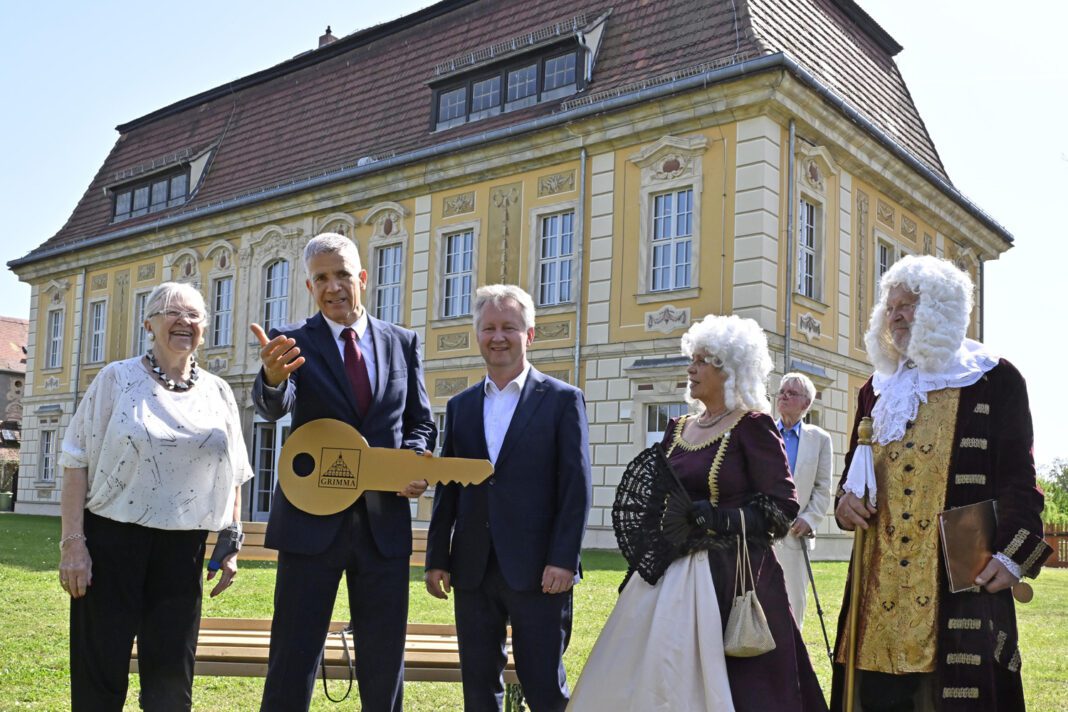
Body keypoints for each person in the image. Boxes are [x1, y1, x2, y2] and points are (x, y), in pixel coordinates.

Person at [569, 314, 827, 712]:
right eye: (692, 358)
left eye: (702, 360)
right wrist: (642, 563)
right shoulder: (678, 428)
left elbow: (783, 507)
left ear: (729, 368)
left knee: (748, 687)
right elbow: (656, 504)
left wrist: (723, 519)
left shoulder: (752, 426)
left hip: (733, 578)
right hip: (669, 574)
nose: (691, 367)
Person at [831, 255, 1052, 711]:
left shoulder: (993, 378)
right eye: (890, 306)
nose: (895, 315)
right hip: (878, 587)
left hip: (959, 582)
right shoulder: (875, 389)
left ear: (942, 310)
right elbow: (855, 475)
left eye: (908, 305)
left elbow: (1019, 479)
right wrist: (843, 504)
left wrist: (1013, 557)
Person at [251, 232, 435, 711]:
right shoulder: (291, 342)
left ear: (363, 278)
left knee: (384, 661)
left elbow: (419, 422)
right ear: (310, 288)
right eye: (321, 278)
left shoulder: (402, 342)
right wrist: (272, 379)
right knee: (293, 658)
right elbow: (276, 405)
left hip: (383, 527)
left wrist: (411, 461)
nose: (333, 287)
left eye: (342, 275)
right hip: (310, 525)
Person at [57, 281, 253, 711]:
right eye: (171, 312)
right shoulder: (116, 379)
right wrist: (73, 545)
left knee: (170, 682)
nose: (184, 322)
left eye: (195, 315)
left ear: (206, 325)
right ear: (149, 323)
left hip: (182, 549)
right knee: (99, 676)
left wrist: (231, 541)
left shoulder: (219, 392)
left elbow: (233, 471)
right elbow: (76, 460)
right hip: (111, 543)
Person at [424, 284, 591, 712]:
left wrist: (564, 559)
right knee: (479, 688)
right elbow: (449, 486)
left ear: (529, 335)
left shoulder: (562, 400)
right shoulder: (460, 406)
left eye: (509, 328)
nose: (498, 337)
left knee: (544, 687)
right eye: (489, 328)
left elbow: (576, 488)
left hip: (540, 569)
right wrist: (437, 557)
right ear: (477, 334)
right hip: (473, 567)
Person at [774, 372, 833, 629]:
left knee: (793, 604)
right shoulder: (762, 431)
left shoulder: (819, 439)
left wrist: (810, 519)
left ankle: (790, 663)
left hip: (794, 537)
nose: (784, 396)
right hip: (759, 534)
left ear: (806, 403)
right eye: (782, 391)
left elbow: (822, 488)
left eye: (792, 393)